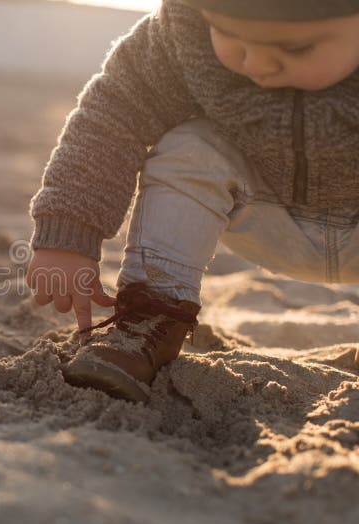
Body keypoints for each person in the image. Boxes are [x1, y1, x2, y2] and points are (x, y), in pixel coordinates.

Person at [25, 0, 359, 402]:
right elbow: (114, 113)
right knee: (191, 145)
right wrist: (69, 231)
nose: (256, 63)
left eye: (296, 48)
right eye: (230, 36)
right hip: (262, 214)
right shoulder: (183, 38)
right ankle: (153, 314)